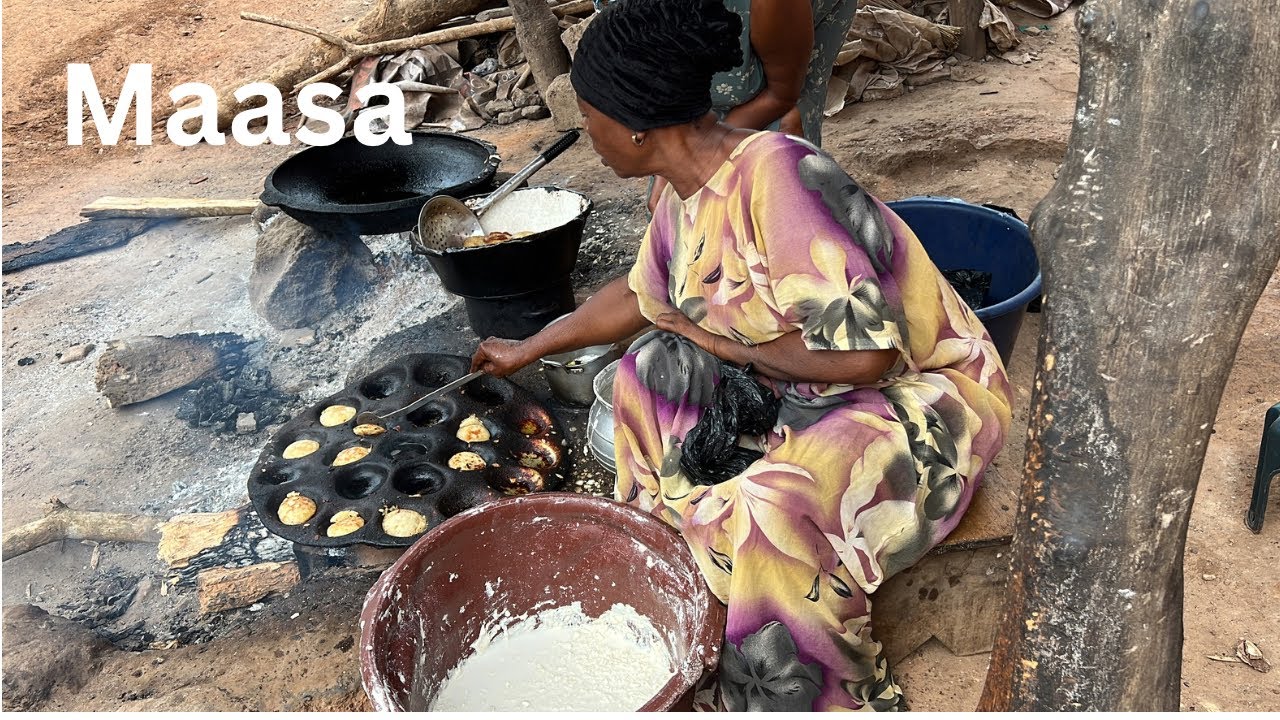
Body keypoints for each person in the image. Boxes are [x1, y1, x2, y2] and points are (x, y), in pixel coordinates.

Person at [471, 0, 1012, 710]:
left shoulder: (781, 177)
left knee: (771, 506)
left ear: (636, 124)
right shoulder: (682, 192)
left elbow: (867, 360)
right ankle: (687, 588)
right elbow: (639, 295)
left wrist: (720, 344)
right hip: (806, 387)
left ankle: (811, 690)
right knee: (644, 373)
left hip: (920, 396)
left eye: (590, 115)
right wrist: (527, 348)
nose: (588, 134)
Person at [646, 0, 858, 212]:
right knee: (679, 202)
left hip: (780, 72)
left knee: (788, 135)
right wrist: (667, 163)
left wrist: (698, 152)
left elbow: (782, 96)